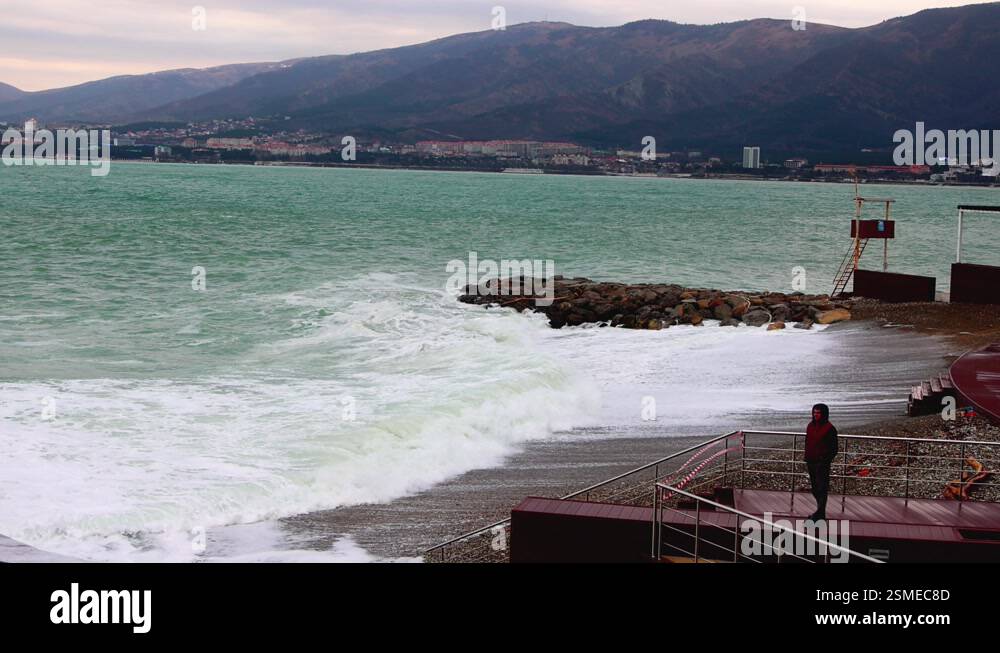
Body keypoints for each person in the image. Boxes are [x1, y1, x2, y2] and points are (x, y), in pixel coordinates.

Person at [804, 403, 838, 521]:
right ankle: (820, 513)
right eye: (814, 412)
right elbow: (808, 442)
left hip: (822, 463)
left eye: (818, 413)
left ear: (824, 414)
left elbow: (834, 449)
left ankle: (819, 514)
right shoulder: (810, 426)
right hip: (811, 461)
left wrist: (824, 460)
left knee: (822, 488)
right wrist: (807, 457)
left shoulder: (830, 429)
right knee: (814, 488)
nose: (815, 415)